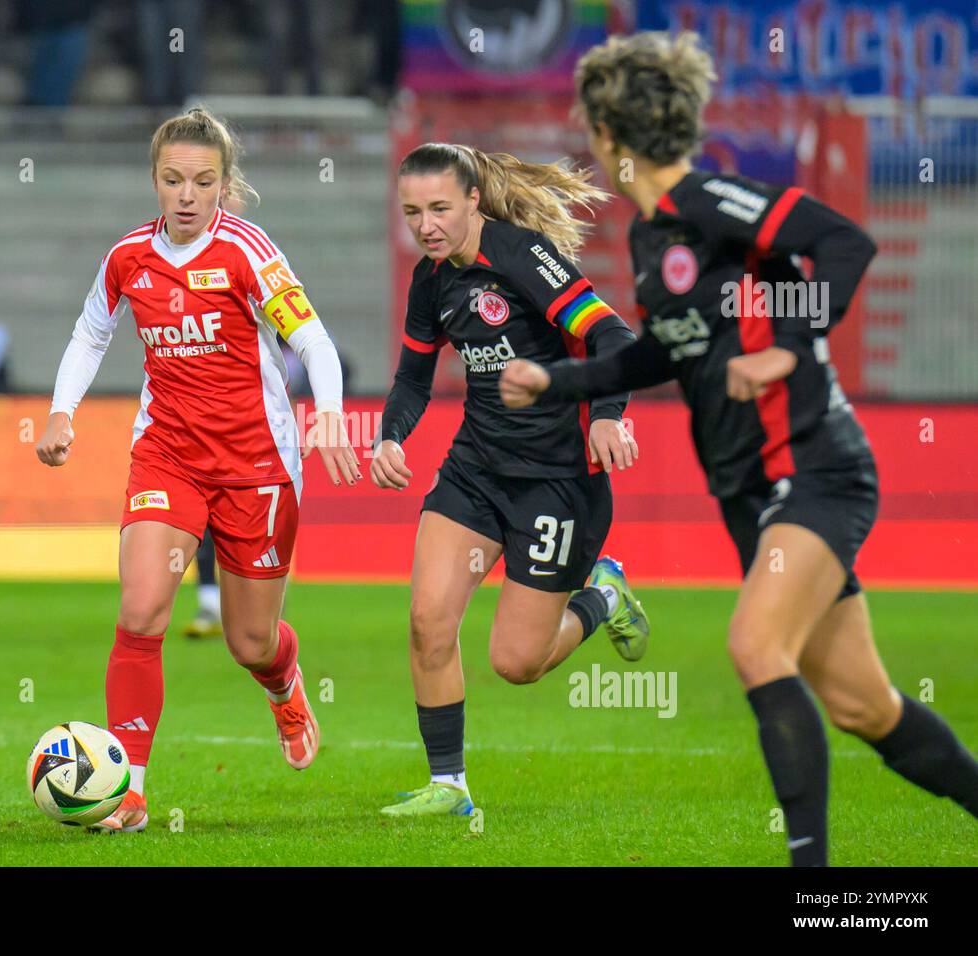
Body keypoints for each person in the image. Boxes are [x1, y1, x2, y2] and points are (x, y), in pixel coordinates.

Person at [501, 30, 978, 864]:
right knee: (866, 707)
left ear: (609, 135)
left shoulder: (708, 201)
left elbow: (843, 245)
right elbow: (664, 351)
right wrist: (559, 384)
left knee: (755, 646)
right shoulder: (655, 238)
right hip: (751, 489)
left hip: (815, 465)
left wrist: (791, 345)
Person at [36, 106, 360, 832]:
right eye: (173, 180)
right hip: (169, 455)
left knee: (251, 641)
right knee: (142, 607)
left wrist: (330, 411)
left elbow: (313, 340)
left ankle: (283, 682)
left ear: (223, 185)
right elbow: (92, 330)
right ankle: (128, 790)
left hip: (257, 466)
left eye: (203, 181)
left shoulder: (247, 250)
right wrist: (63, 412)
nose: (187, 195)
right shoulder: (128, 257)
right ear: (154, 180)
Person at [371, 142, 650, 817]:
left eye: (439, 207)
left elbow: (612, 338)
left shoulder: (523, 255)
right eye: (413, 212)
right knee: (426, 622)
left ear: (473, 199)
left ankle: (603, 598)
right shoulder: (431, 280)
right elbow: (414, 376)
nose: (427, 225)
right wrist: (388, 437)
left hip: (557, 482)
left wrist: (608, 416)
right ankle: (449, 785)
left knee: (517, 663)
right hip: (476, 470)